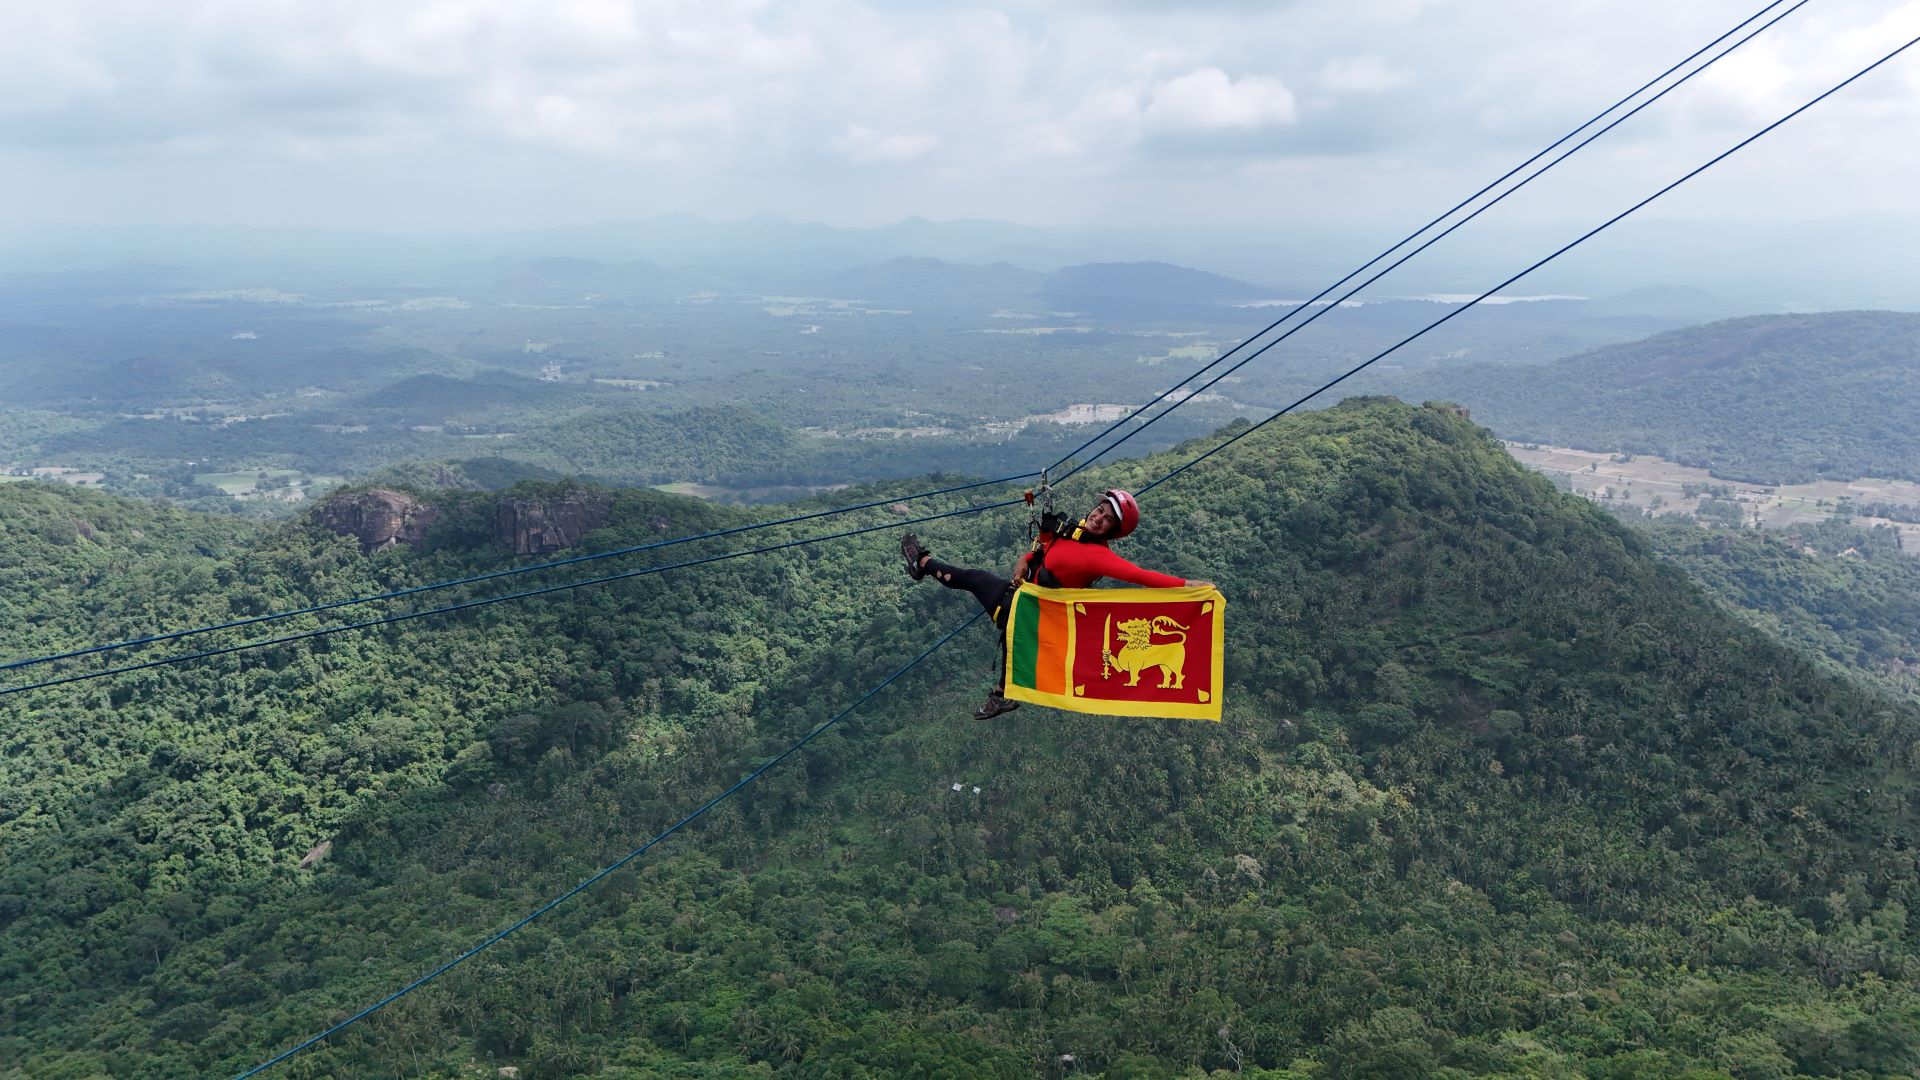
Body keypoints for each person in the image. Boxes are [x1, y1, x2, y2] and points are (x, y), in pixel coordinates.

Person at [900, 488, 1212, 719]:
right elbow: (1045, 548)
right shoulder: (1074, 531)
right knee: (975, 583)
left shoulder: (1099, 556)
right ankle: (1003, 693)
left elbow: (1140, 576)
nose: (1098, 518)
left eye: (1107, 519)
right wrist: (1023, 560)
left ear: (1114, 531)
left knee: (974, 578)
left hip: (1031, 610)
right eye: (1100, 510)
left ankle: (922, 562)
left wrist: (1186, 586)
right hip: (1024, 595)